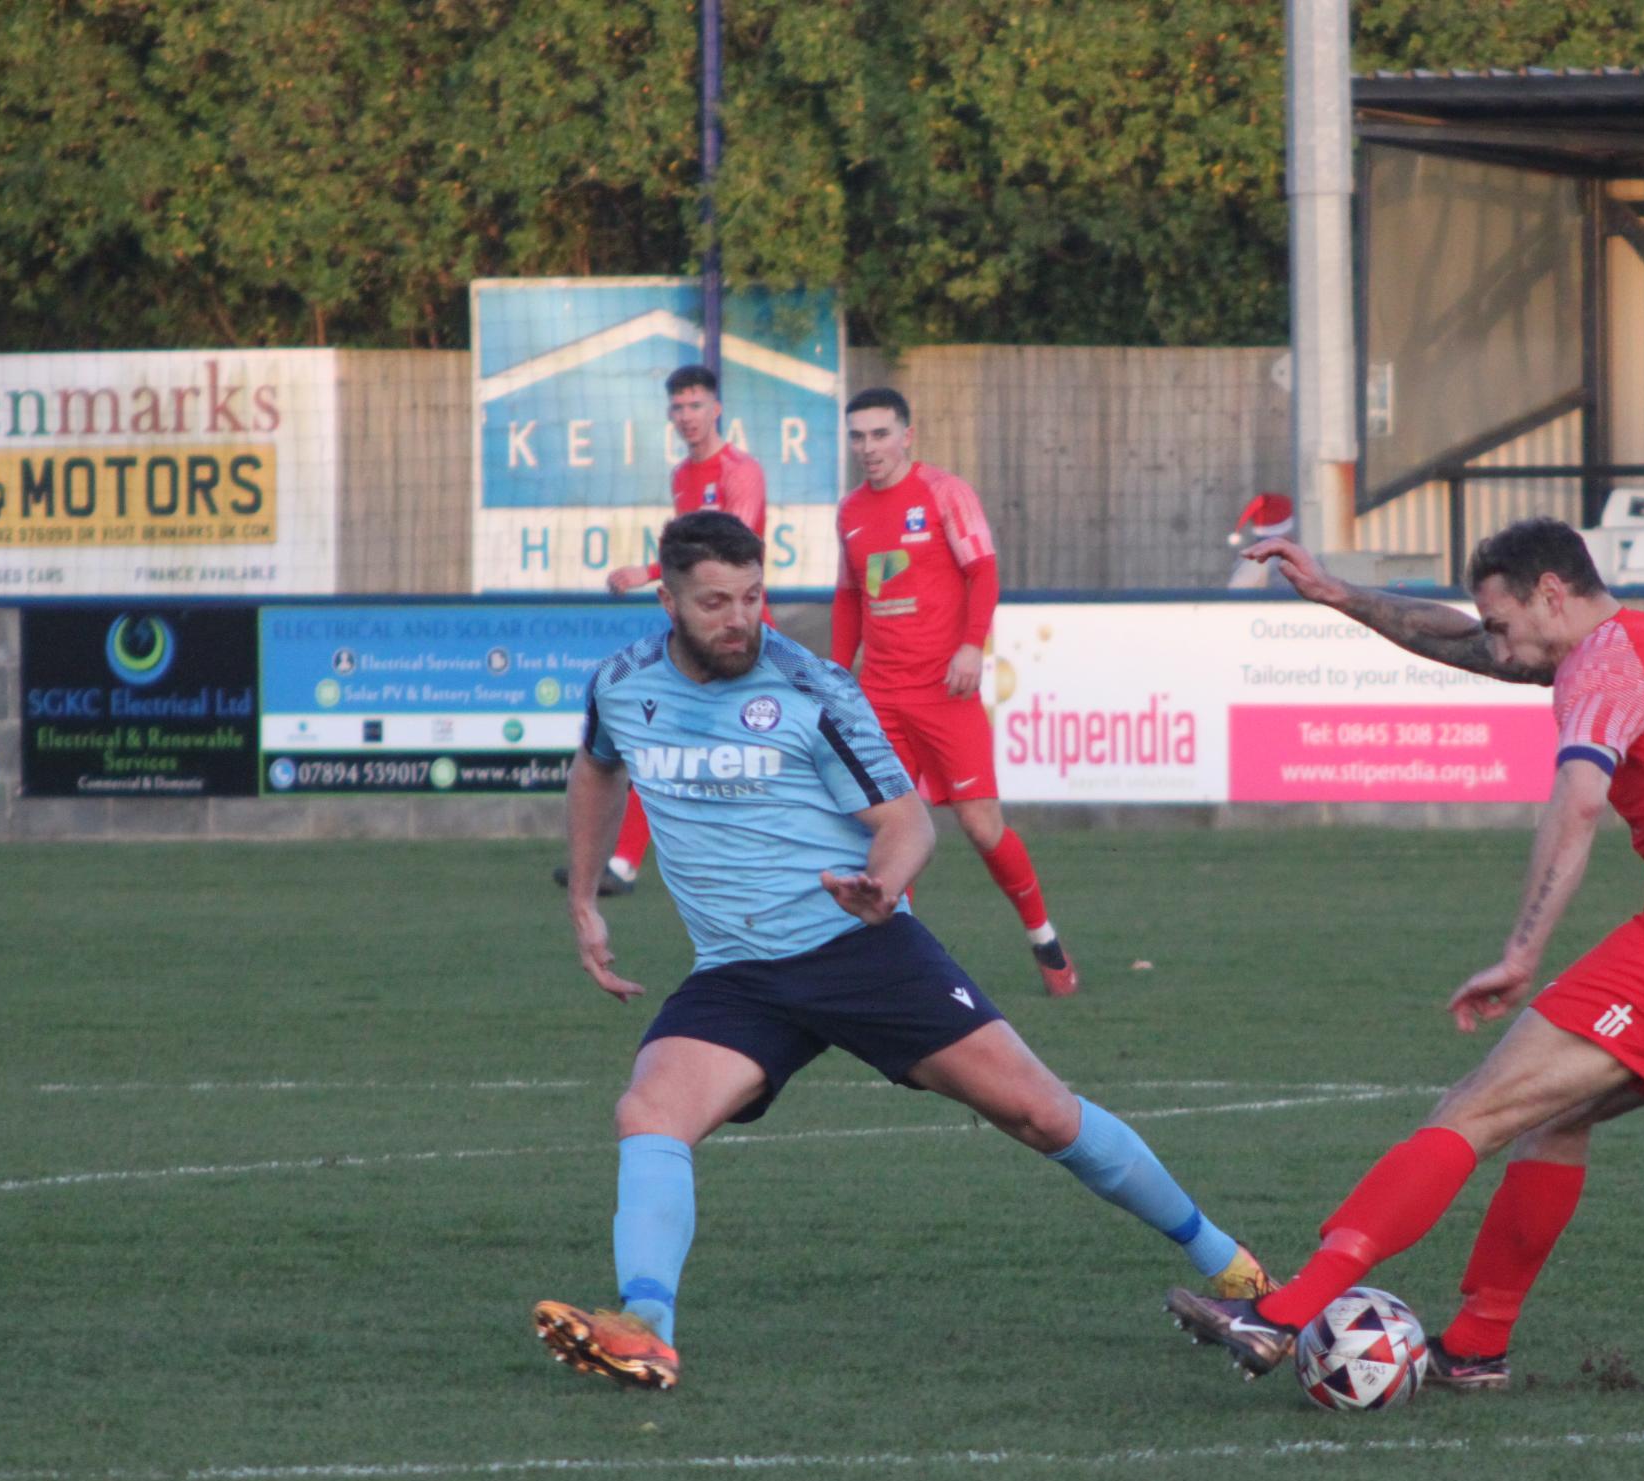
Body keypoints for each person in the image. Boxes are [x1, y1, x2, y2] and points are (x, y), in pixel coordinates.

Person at [532, 511, 1273, 1391]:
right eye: (717, 602)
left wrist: (881, 887)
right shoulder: (620, 683)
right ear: (669, 600)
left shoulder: (811, 688)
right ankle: (645, 1328)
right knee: (649, 1114)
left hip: (861, 948)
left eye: (755, 596)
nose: (741, 618)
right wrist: (584, 899)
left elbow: (907, 820)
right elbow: (596, 767)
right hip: (738, 974)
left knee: (1043, 1115)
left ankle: (1239, 1273)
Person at [1166, 517, 1644, 1389]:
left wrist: (1522, 953)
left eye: (1503, 619)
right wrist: (1335, 596)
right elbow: (1469, 644)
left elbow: (1580, 803)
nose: (1495, 642)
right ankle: (1478, 1345)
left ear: (1552, 592)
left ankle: (1280, 1315)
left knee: (1473, 1107)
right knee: (1553, 1115)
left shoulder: (1603, 663)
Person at [831, 386, 1077, 996]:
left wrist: (972, 645)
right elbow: (850, 597)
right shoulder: (850, 511)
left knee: (980, 825)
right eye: (858, 436)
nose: (869, 448)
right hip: (880, 696)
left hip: (944, 690)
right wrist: (838, 677)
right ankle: (898, 969)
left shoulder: (944, 493)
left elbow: (983, 570)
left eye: (880, 433)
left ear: (907, 435)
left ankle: (1045, 942)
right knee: (892, 828)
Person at [557, 362, 770, 898]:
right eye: (677, 407)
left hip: (742, 637)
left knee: (753, 752)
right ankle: (624, 863)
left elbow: (730, 550)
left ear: (716, 408)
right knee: (669, 743)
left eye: (696, 405)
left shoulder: (740, 471)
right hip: (699, 635)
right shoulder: (682, 475)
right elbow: (686, 560)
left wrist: (647, 572)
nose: (686, 416)